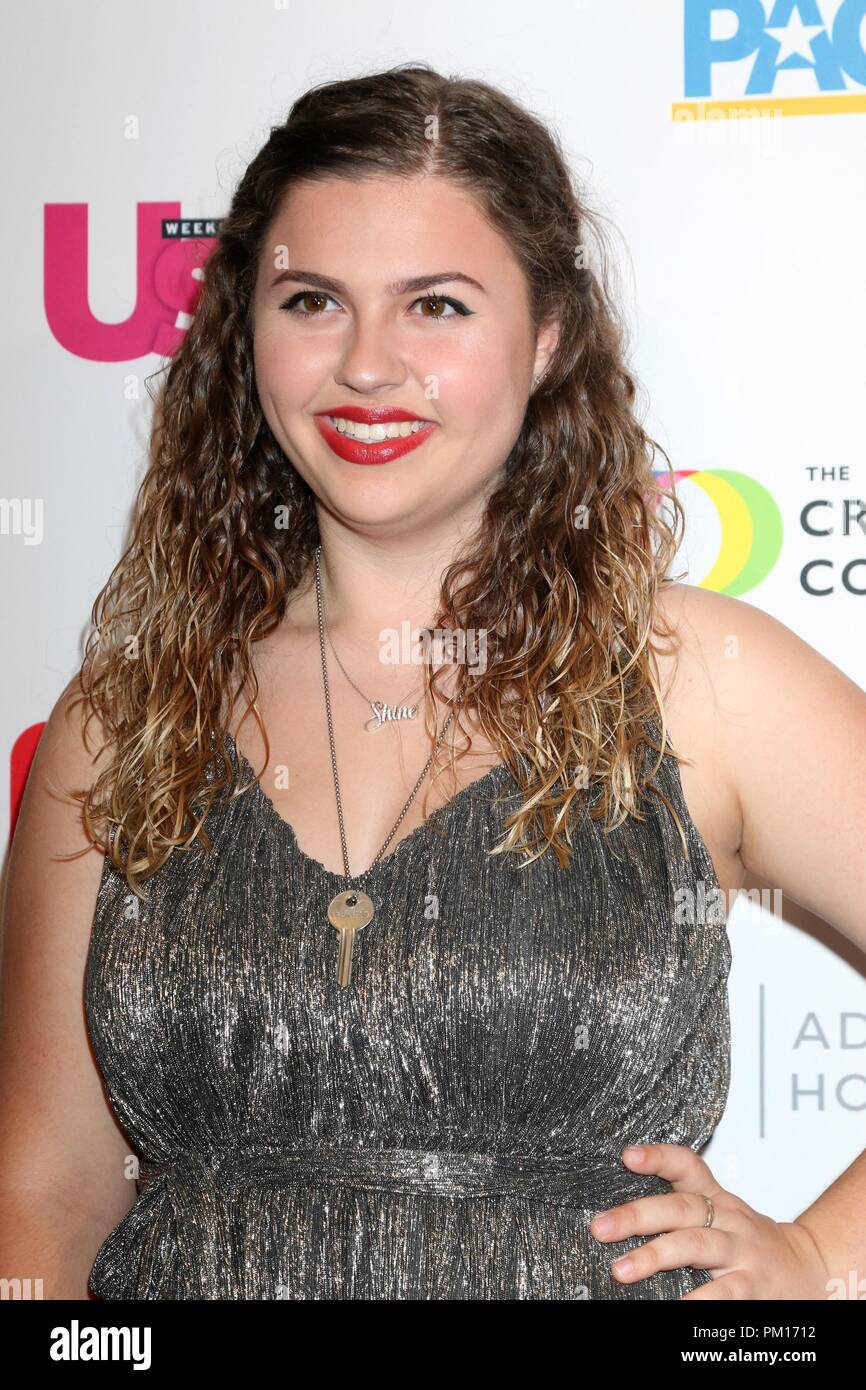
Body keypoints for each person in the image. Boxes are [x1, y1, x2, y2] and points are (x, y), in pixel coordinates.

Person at [1, 63, 864, 1303]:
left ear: (548, 336)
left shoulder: (696, 682)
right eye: (311, 300)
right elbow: (47, 1194)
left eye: (437, 307)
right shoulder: (123, 718)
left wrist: (823, 1258)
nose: (365, 365)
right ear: (245, 329)